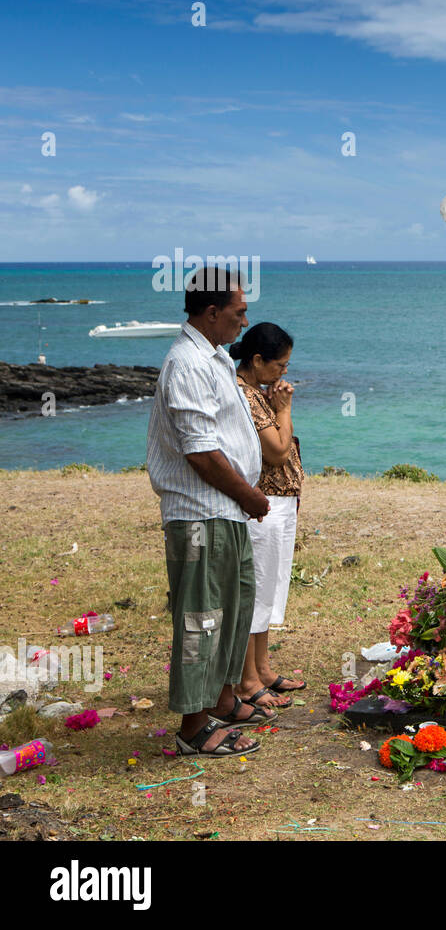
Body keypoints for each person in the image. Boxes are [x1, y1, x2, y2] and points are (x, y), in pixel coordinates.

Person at [146, 267, 276, 758]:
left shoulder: (215, 356)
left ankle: (222, 699)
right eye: (239, 312)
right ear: (212, 311)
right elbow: (200, 452)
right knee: (203, 618)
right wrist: (248, 495)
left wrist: (243, 497)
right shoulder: (187, 363)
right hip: (202, 512)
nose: (245, 322)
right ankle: (193, 727)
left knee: (235, 608)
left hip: (226, 511)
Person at [231, 322, 306, 710]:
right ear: (257, 360)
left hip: (280, 502)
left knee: (270, 588)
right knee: (255, 589)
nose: (283, 372)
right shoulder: (244, 395)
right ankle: (246, 679)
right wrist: (285, 409)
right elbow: (276, 450)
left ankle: (261, 666)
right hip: (263, 503)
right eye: (279, 364)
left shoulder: (258, 393)